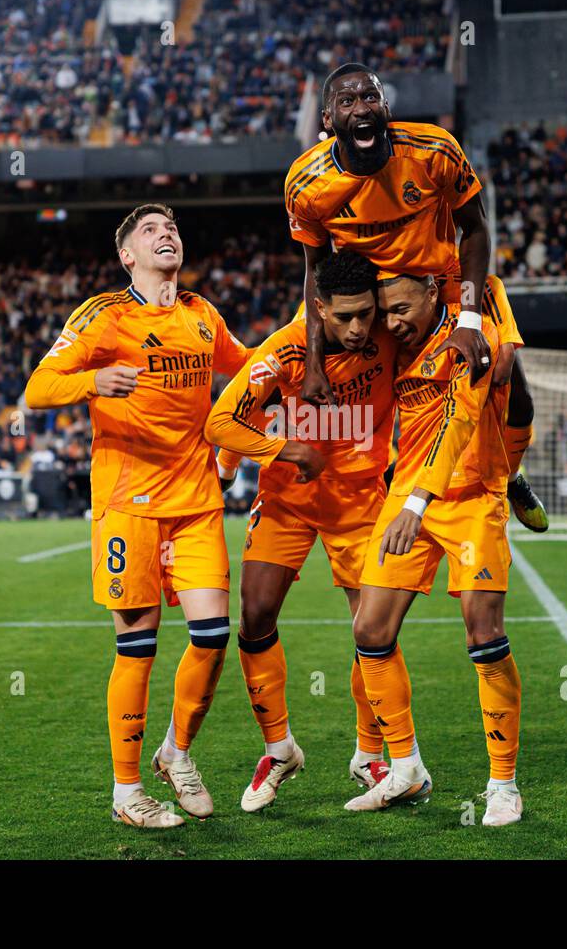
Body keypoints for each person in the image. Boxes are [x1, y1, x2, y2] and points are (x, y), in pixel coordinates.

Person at [24, 203, 251, 830]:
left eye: (172, 227)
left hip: (198, 501)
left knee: (211, 638)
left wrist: (308, 344)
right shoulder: (104, 316)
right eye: (150, 231)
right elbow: (38, 389)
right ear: (127, 255)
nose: (166, 234)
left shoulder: (202, 315)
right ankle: (127, 794)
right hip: (129, 506)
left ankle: (175, 753)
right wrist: (93, 380)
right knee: (138, 648)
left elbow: (250, 366)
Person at [283, 62, 548, 534]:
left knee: (510, 380)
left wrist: (469, 319)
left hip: (446, 279)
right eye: (346, 102)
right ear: (328, 120)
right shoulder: (307, 183)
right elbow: (315, 268)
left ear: (385, 106)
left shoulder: (434, 149)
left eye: (370, 98)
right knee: (372, 398)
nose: (361, 108)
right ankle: (373, 489)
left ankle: (510, 473)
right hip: (373, 299)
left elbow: (476, 228)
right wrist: (317, 360)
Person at [204, 250, 397, 810]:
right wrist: (282, 447)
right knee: (255, 614)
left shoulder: (392, 332)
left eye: (366, 314)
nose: (359, 328)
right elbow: (221, 421)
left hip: (359, 505)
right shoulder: (285, 349)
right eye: (345, 318)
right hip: (287, 501)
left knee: (374, 631)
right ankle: (280, 748)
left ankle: (370, 753)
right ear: (320, 309)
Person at [346, 270, 524, 827]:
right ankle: (405, 768)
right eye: (386, 312)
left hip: (467, 494)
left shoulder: (471, 335)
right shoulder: (391, 344)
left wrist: (421, 500)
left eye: (402, 308)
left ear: (433, 292)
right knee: (370, 630)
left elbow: (460, 417)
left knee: (483, 633)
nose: (392, 321)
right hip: (408, 496)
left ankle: (503, 784)